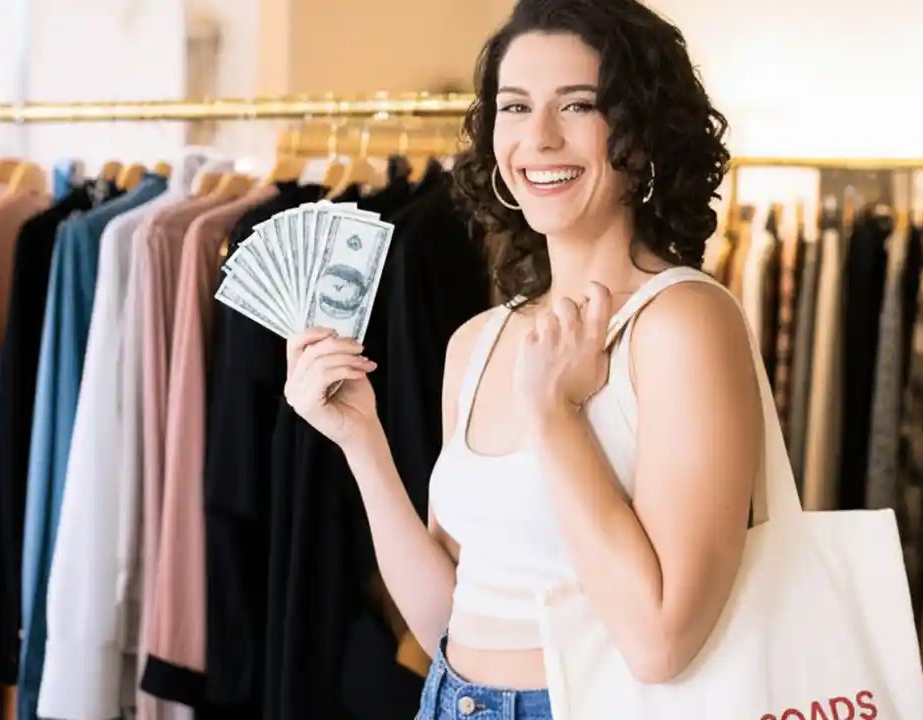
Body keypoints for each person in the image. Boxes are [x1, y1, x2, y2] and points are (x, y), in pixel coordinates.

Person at [283, 1, 762, 717]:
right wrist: (362, 442)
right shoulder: (477, 342)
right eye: (515, 107)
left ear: (643, 130)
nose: (538, 138)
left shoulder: (684, 321)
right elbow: (449, 620)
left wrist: (555, 415)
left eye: (577, 106)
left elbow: (663, 642)